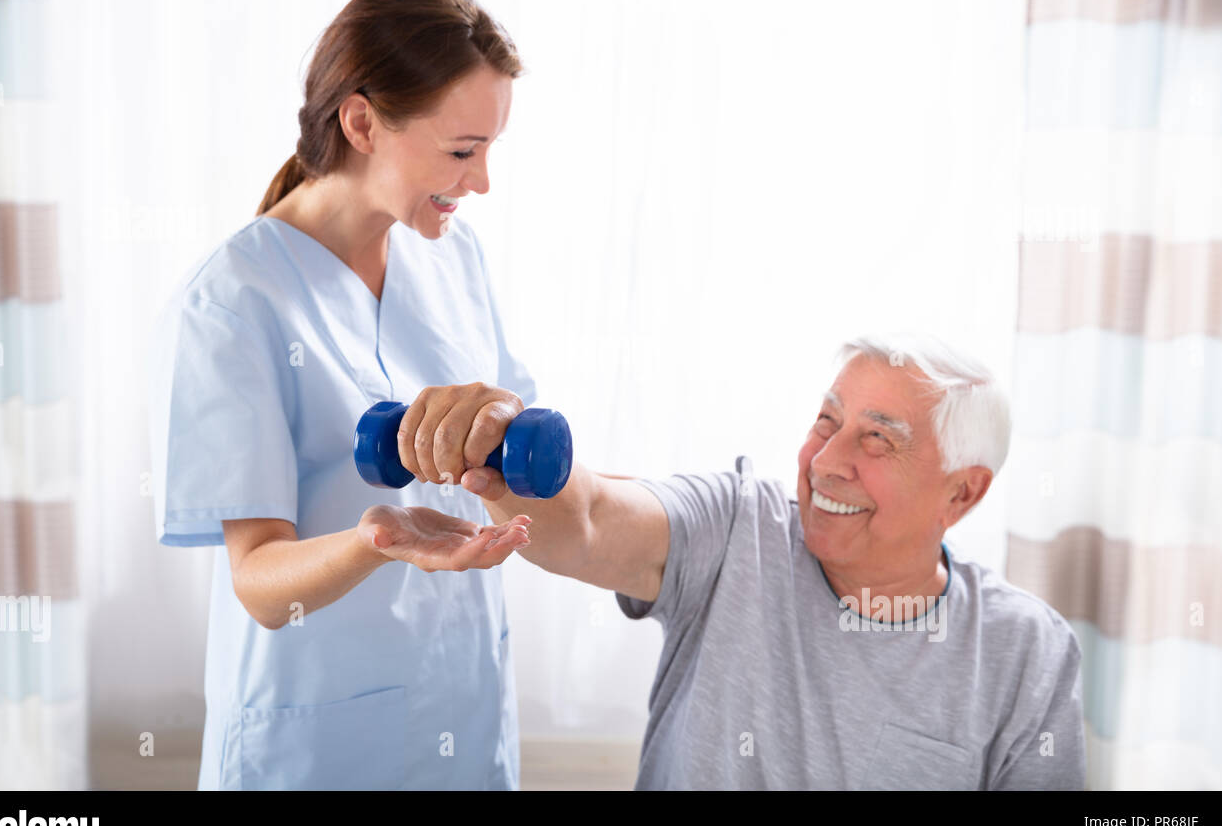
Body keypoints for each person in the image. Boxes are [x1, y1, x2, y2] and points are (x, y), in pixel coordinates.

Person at [392, 335, 1087, 789]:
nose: (827, 462)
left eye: (878, 441)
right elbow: (591, 522)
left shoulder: (1027, 650)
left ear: (962, 492)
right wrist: (501, 450)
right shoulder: (734, 529)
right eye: (826, 421)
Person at [149, 0, 536, 790]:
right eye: (463, 151)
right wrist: (377, 540)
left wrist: (505, 422)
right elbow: (258, 579)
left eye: (491, 149)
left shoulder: (453, 257)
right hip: (313, 743)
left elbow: (517, 444)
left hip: (461, 716)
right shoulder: (234, 302)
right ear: (362, 121)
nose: (483, 182)